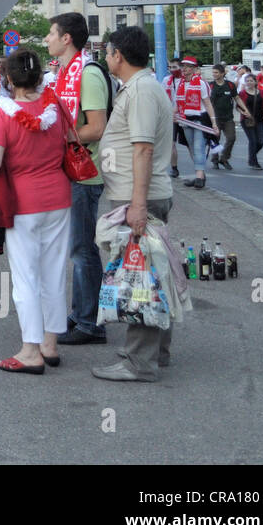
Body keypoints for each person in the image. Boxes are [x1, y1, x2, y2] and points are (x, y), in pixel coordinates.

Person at [91, 26, 176, 382]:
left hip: (137, 197)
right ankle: (155, 351)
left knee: (139, 278)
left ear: (118, 55)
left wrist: (137, 205)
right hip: (138, 194)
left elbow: (143, 148)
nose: (106, 57)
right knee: (153, 273)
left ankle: (140, 362)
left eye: (108, 52)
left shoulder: (140, 90)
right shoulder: (142, 86)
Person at [0, 49, 71, 374]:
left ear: (7, 79)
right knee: (54, 272)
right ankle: (50, 344)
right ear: (39, 77)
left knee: (26, 277)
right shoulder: (55, 107)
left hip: (23, 203)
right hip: (59, 198)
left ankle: (30, 351)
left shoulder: (3, 113)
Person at [43, 13, 109, 348]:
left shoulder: (89, 73)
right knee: (76, 249)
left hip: (84, 174)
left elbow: (96, 128)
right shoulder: (64, 72)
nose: (47, 39)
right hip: (67, 171)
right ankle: (80, 313)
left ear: (67, 38)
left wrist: (58, 140)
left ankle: (90, 322)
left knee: (83, 250)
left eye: (51, 34)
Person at [174, 56, 219, 189]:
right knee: (193, 148)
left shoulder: (200, 83)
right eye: (184, 66)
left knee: (199, 147)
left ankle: (199, 177)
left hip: (199, 119)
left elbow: (207, 103)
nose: (185, 69)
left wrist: (214, 123)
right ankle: (201, 175)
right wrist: (172, 114)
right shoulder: (180, 84)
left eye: (188, 66)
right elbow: (178, 103)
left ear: (194, 69)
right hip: (185, 120)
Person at [208, 65, 246, 171]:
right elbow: (206, 101)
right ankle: (215, 160)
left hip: (228, 117)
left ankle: (224, 158)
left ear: (222, 73)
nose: (214, 75)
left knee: (231, 138)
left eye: (216, 72)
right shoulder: (210, 85)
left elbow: (237, 98)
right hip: (215, 118)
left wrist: (245, 109)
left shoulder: (230, 85)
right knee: (215, 140)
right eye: (213, 72)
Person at [238, 74, 263, 169]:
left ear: (255, 82)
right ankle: (254, 162)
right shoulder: (242, 93)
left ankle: (251, 157)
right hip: (247, 121)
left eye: (251, 81)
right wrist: (244, 113)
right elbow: (238, 107)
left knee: (261, 142)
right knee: (253, 141)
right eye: (247, 81)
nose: (249, 82)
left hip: (259, 120)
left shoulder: (261, 92)